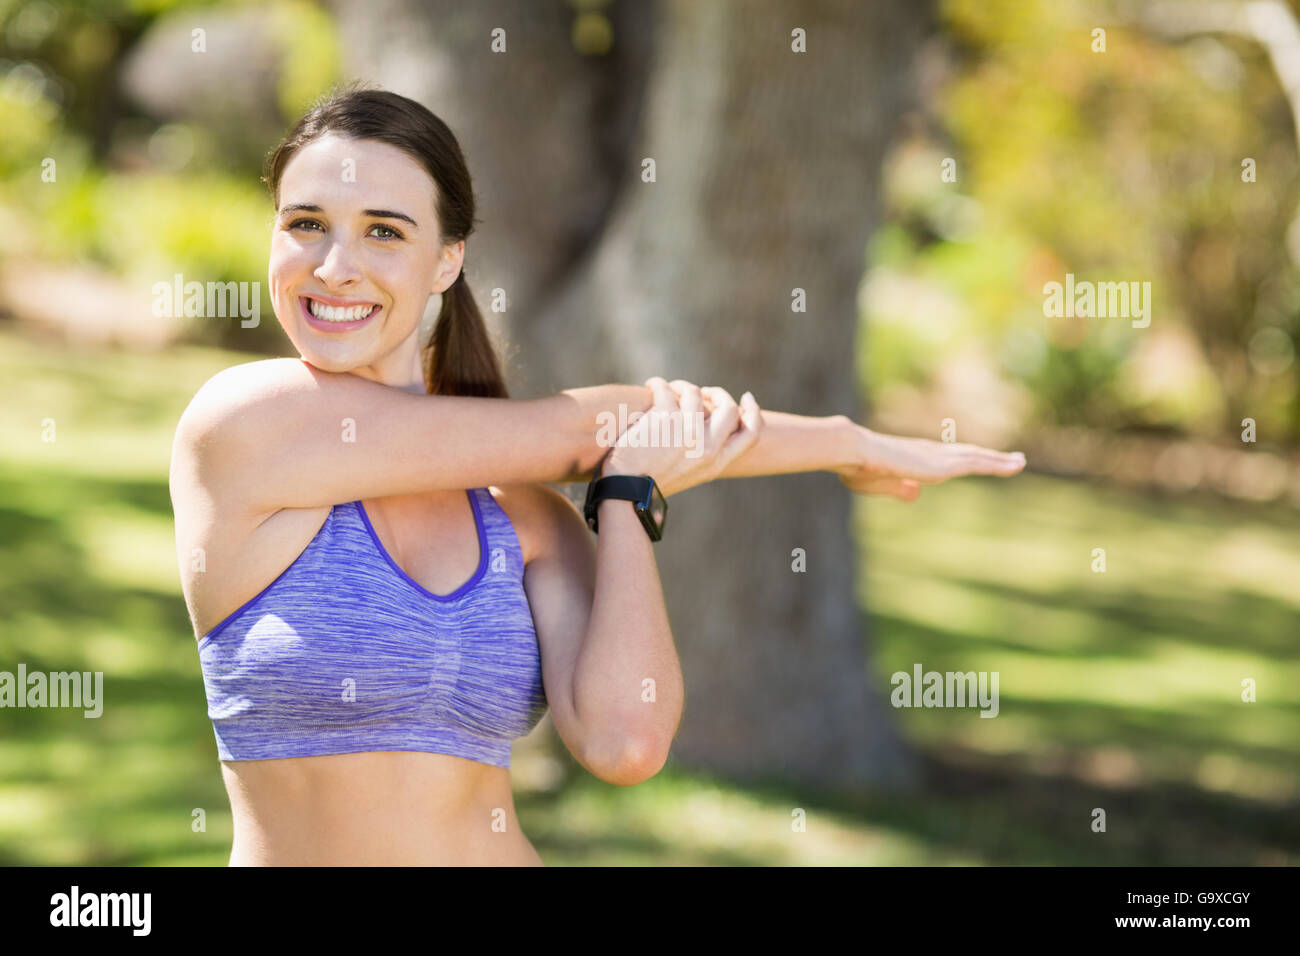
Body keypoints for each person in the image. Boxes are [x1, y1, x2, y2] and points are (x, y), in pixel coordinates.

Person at [169, 85, 1027, 866]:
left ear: (447, 261)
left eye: (383, 231)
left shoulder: (522, 520)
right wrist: (847, 442)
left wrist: (625, 498)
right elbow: (573, 428)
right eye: (305, 222)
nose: (333, 266)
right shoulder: (247, 423)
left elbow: (626, 744)